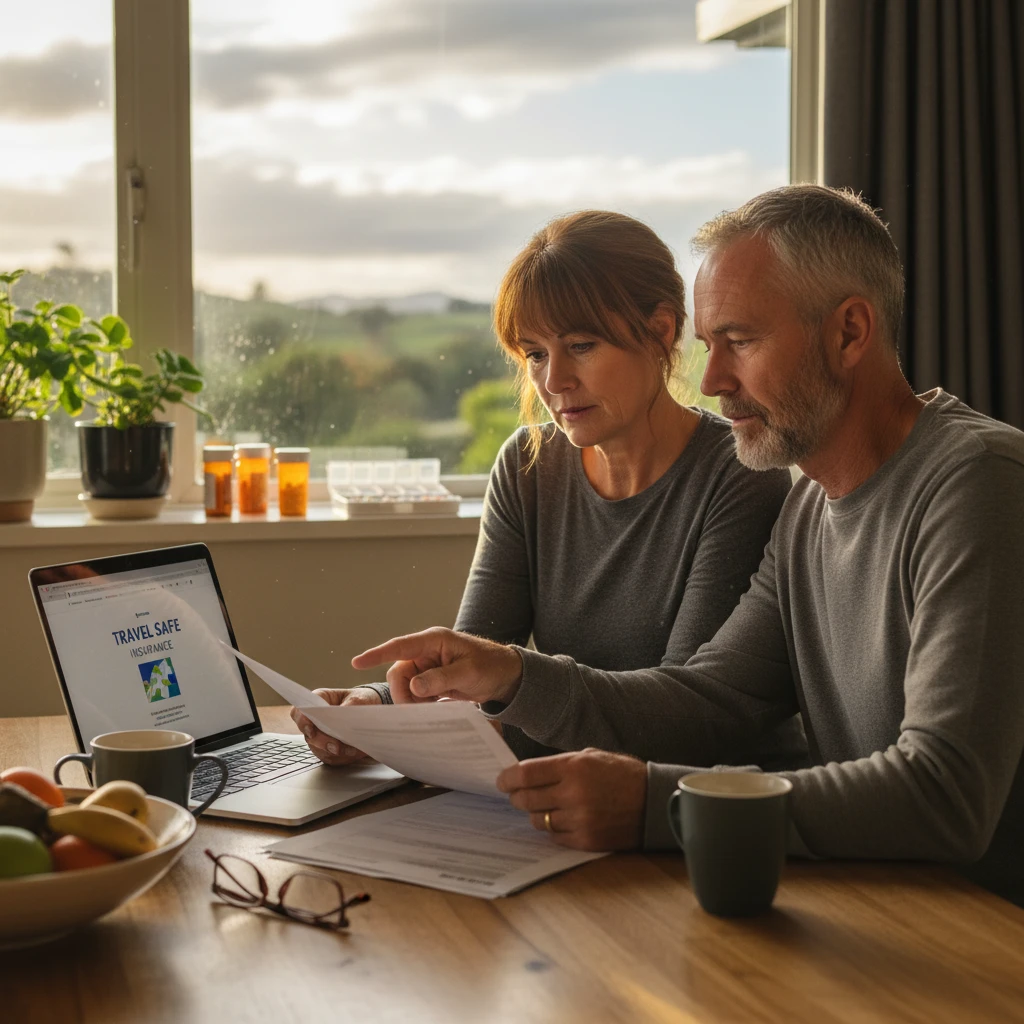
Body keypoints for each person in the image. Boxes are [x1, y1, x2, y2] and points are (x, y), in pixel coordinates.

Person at [351, 185, 1024, 907]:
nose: (711, 381)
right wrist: (510, 676)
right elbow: (712, 701)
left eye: (740, 342)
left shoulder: (977, 481)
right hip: (872, 904)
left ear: (849, 333)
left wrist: (654, 802)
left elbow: (946, 794)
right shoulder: (806, 509)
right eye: (710, 346)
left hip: (983, 937)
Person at [293, 210, 802, 769]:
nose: (554, 380)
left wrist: (510, 682)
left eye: (581, 345)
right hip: (565, 793)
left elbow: (681, 721)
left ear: (660, 330)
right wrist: (376, 706)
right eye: (535, 353)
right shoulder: (528, 466)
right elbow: (475, 666)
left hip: (700, 807)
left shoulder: (739, 474)